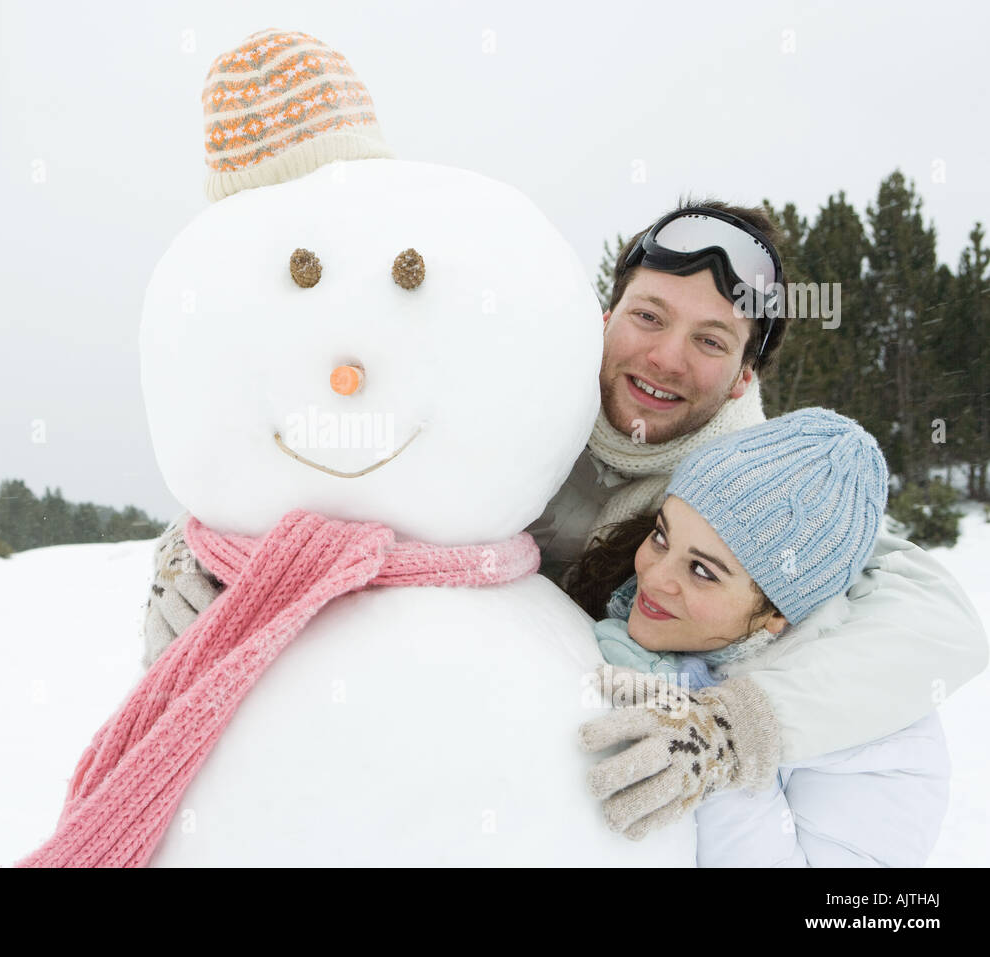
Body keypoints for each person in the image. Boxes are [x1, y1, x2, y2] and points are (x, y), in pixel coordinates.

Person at [138, 29, 988, 839]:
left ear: (744, 377)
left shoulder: (753, 488)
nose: (664, 357)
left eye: (711, 340)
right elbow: (344, 441)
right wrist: (208, 544)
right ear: (605, 311)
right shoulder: (516, 387)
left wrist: (734, 729)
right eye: (648, 315)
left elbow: (940, 624)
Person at [565, 408, 950, 864]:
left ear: (777, 614)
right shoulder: (655, 623)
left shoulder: (882, 734)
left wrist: (715, 759)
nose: (652, 576)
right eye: (662, 537)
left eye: (703, 571)